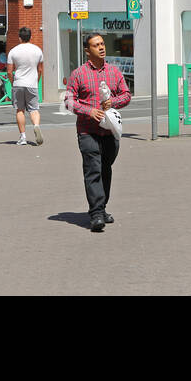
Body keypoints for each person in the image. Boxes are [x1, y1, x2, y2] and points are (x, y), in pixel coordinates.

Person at [66, 33, 132, 232]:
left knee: (105, 169)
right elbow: (68, 102)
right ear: (88, 50)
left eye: (102, 44)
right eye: (96, 45)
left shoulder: (114, 72)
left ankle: (101, 208)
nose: (101, 47)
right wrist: (88, 111)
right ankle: (95, 213)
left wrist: (114, 102)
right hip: (88, 131)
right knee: (93, 170)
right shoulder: (78, 74)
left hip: (110, 131)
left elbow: (126, 95)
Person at [7, 27, 45, 146]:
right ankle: (36, 126)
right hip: (32, 84)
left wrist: (13, 82)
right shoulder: (38, 50)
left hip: (18, 83)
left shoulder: (13, 51)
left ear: (19, 37)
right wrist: (36, 80)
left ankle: (23, 137)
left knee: (20, 110)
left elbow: (9, 71)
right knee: (34, 109)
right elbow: (40, 70)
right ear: (30, 37)